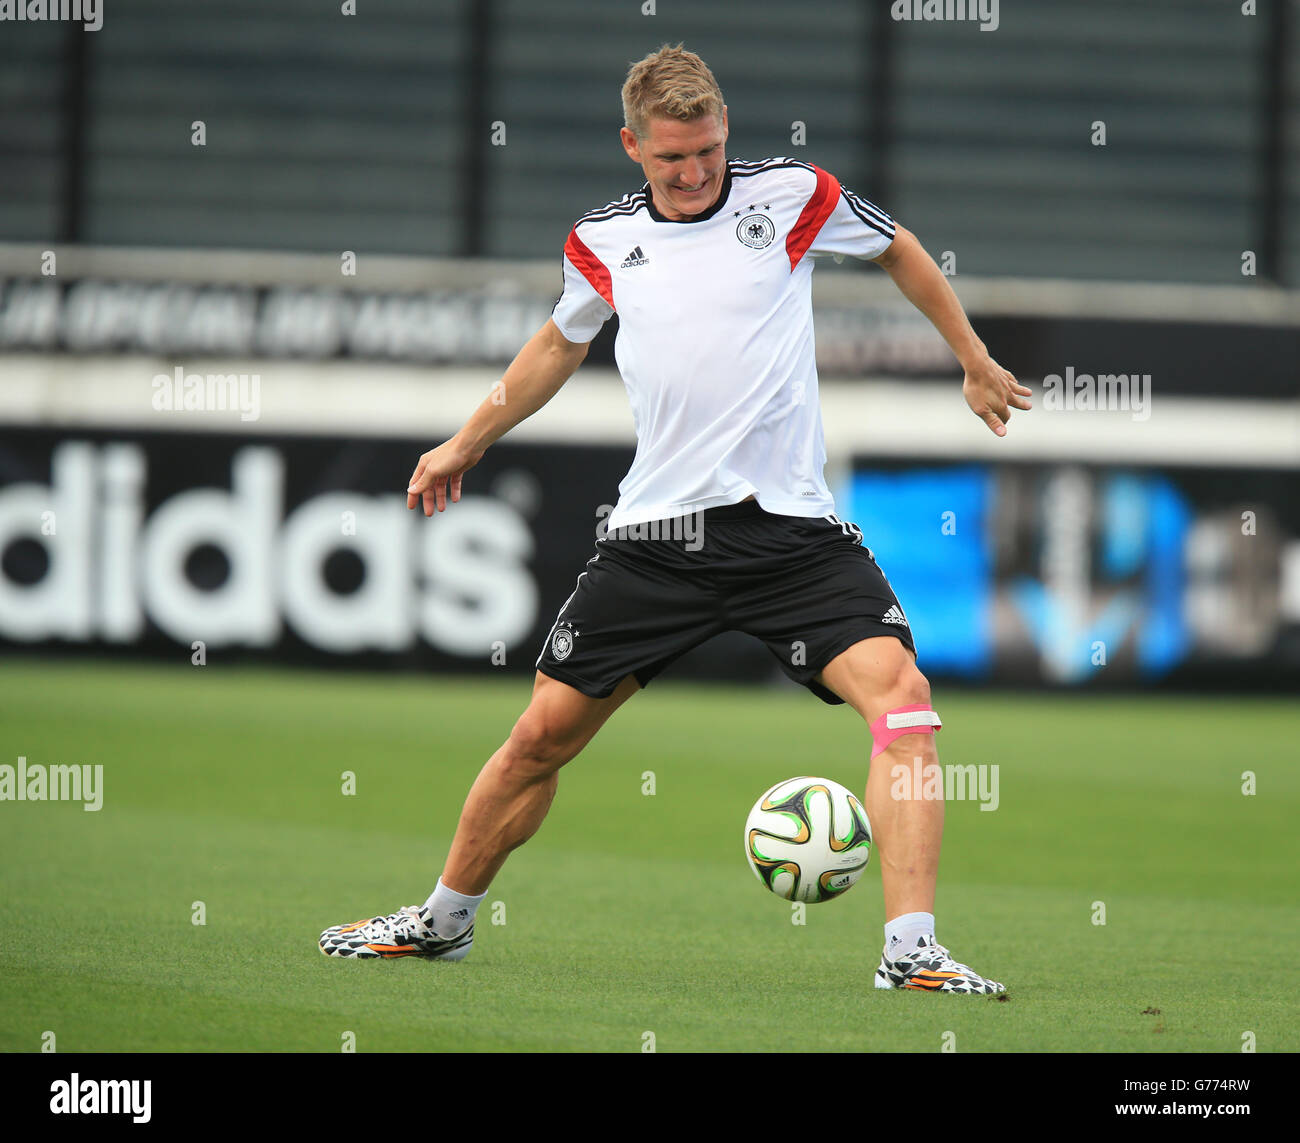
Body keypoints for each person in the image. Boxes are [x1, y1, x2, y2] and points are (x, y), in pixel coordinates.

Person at [320, 44, 1030, 994]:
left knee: (904, 704)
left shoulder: (789, 196)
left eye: (709, 152)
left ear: (726, 133)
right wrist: (466, 440)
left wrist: (972, 356)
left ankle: (913, 952)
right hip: (658, 540)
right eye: (671, 159)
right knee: (540, 738)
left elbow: (898, 245)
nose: (696, 174)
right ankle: (443, 921)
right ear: (632, 146)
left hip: (792, 535)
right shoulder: (600, 242)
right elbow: (555, 343)